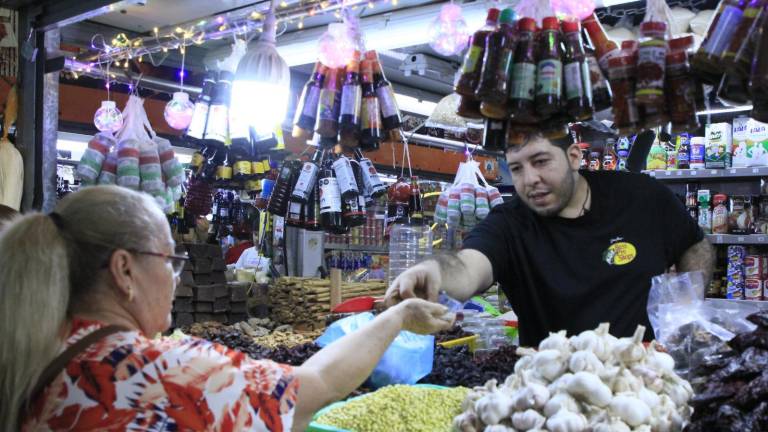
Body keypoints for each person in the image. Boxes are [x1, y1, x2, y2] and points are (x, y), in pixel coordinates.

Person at [0, 185, 453, 431]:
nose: (176, 277)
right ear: (124, 271)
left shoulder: (35, 354)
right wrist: (397, 318)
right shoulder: (163, 374)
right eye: (170, 260)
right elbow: (312, 388)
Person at [386, 133, 714, 346]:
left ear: (573, 156)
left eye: (541, 161)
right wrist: (433, 272)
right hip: (553, 395)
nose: (530, 180)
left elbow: (694, 244)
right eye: (516, 168)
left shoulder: (641, 197)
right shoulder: (510, 224)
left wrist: (684, 312)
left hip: (641, 383)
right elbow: (469, 264)